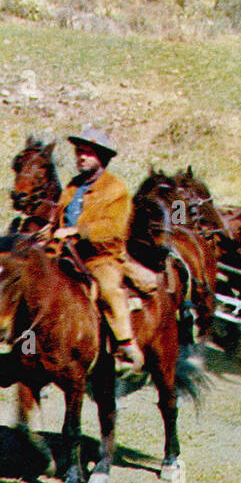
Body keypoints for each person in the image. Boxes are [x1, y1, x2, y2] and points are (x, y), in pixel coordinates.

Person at [50, 128, 156, 372]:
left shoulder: (115, 188)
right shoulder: (72, 186)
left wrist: (77, 231)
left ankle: (126, 347)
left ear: (101, 158)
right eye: (79, 152)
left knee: (109, 290)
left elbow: (113, 228)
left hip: (100, 256)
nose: (81, 157)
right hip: (65, 252)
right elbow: (60, 218)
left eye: (87, 153)